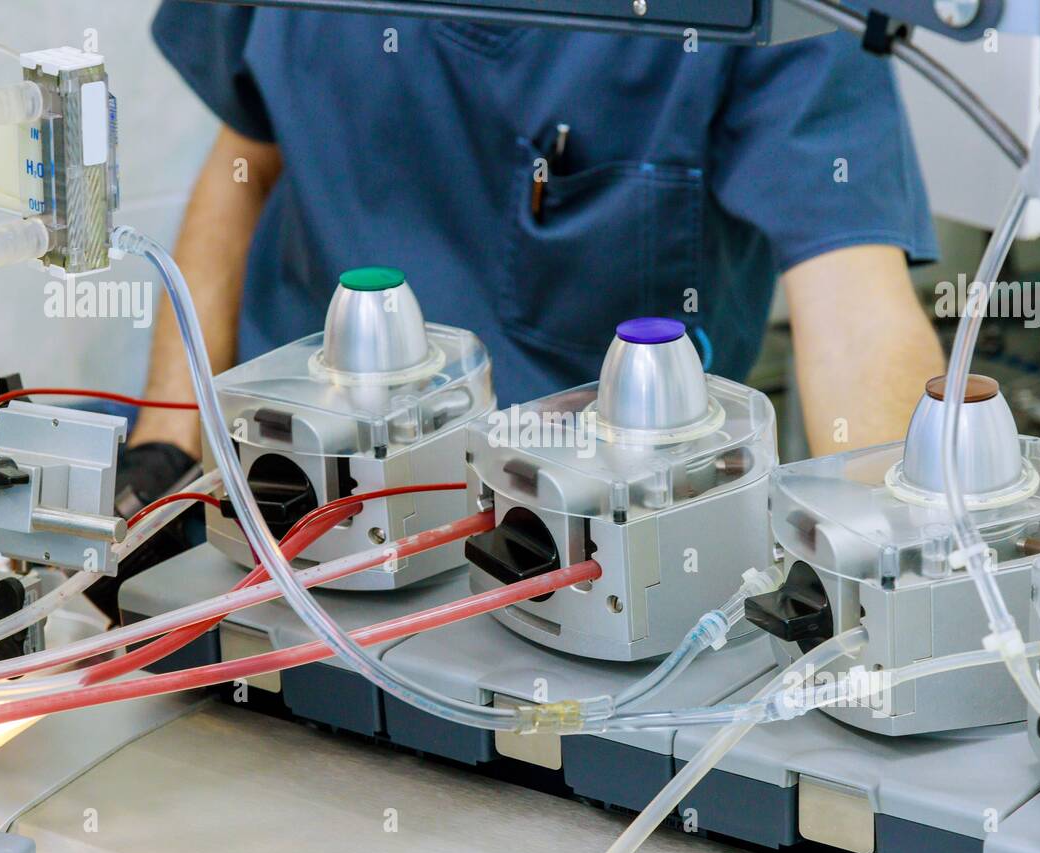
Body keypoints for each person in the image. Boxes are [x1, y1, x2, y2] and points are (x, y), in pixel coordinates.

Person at [129, 0, 944, 493]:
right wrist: (168, 438)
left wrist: (890, 570)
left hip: (589, 546)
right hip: (293, 490)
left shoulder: (759, 23)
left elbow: (856, 313)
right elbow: (245, 158)